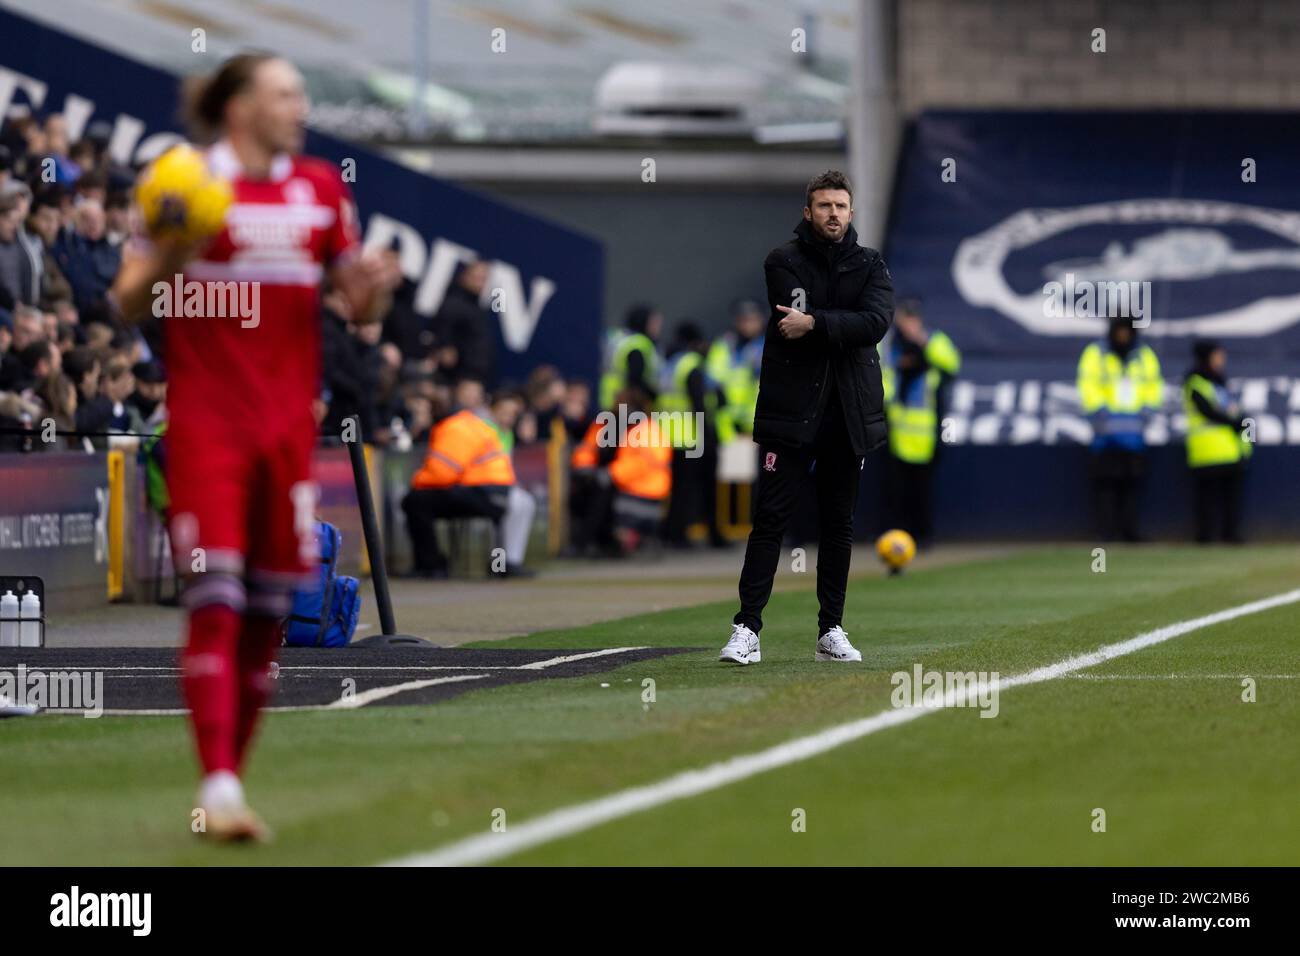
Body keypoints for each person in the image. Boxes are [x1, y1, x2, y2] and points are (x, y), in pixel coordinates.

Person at [110, 53, 396, 842]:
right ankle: (220, 782)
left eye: (300, 93)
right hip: (207, 425)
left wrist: (377, 283)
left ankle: (226, 788)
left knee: (272, 611)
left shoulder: (319, 190)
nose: (300, 106)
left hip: (286, 433)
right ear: (240, 106)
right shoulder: (182, 180)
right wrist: (172, 249)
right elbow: (128, 298)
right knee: (217, 597)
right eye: (284, 93)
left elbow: (358, 306)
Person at [720, 169, 893, 666]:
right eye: (824, 206)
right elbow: (787, 319)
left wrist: (818, 321)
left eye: (840, 206)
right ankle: (746, 628)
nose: (833, 214)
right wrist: (840, 322)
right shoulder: (783, 260)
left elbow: (874, 324)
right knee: (770, 520)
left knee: (838, 525)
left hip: (848, 415)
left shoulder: (871, 263)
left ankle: (830, 630)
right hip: (792, 413)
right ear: (808, 212)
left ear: (851, 212)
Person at [402, 388, 536, 578]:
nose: (418, 419)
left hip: (484, 491)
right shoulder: (475, 426)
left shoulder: (454, 428)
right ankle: (504, 565)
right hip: (498, 491)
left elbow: (442, 473)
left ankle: (431, 566)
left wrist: (416, 482)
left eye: (421, 413)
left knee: (415, 501)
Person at [881, 298, 960, 547]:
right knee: (895, 491)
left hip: (926, 433)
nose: (910, 324)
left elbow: (952, 363)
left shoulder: (934, 340)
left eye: (913, 318)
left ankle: (923, 536)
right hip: (896, 429)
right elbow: (883, 379)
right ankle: (897, 537)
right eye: (906, 318)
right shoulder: (891, 345)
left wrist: (923, 341)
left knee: (922, 490)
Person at [1076, 316, 1163, 541]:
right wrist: (1100, 415)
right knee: (1106, 485)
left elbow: (1154, 387)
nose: (1123, 335)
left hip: (1134, 434)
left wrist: (1146, 413)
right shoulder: (1096, 354)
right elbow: (1087, 385)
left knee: (1132, 486)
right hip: (1106, 435)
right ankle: (1106, 532)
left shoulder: (1145, 356)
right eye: (1120, 330)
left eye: (1127, 330)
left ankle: (1129, 532)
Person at [660, 320, 730, 548]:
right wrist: (709, 436)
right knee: (705, 489)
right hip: (694, 436)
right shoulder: (693, 366)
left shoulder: (670, 365)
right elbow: (699, 404)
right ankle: (713, 536)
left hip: (673, 435)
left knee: (680, 489)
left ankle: (674, 533)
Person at [1183, 340, 1250, 543]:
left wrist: (1245, 432)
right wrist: (1234, 422)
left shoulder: (1221, 383)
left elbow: (1236, 412)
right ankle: (1205, 537)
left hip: (1230, 450)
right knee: (1207, 498)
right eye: (1217, 355)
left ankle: (1230, 535)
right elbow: (1209, 412)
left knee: (1231, 498)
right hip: (1207, 452)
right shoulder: (1195, 383)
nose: (1221, 359)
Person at [599, 303, 661, 410]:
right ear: (644, 322)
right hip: (625, 404)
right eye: (654, 322)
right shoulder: (638, 344)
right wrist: (654, 395)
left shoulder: (618, 338)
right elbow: (635, 379)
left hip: (607, 399)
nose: (657, 327)